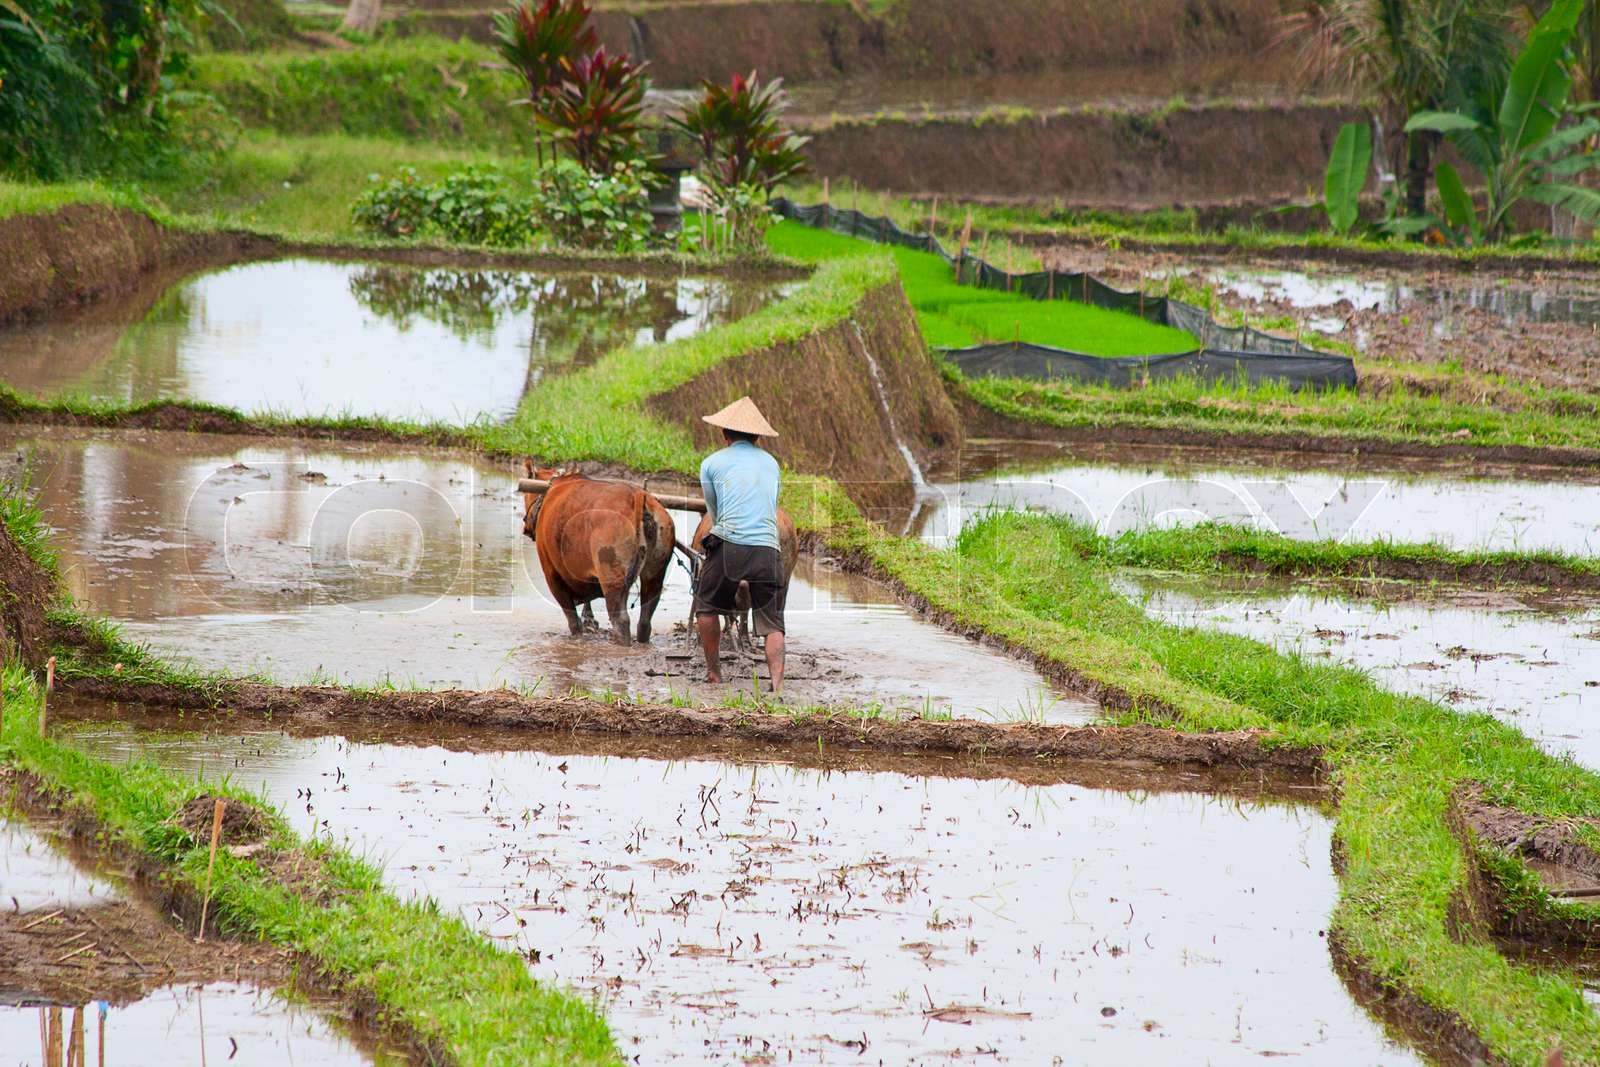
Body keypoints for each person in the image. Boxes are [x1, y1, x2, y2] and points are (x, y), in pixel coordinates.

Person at [694, 396, 785, 691]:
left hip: (729, 543)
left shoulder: (711, 463)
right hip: (768, 549)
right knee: (773, 624)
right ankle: (777, 687)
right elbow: (770, 504)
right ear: (758, 436)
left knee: (706, 608)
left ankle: (714, 673)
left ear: (724, 434)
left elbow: (714, 510)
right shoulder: (772, 464)